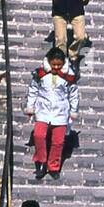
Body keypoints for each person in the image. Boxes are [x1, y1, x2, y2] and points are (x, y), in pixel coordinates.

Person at [25, 47, 80, 181]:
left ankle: (54, 166)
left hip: (60, 112)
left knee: (58, 141)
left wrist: (73, 110)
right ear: (48, 62)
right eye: (53, 64)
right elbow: (33, 89)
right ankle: (41, 161)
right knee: (38, 135)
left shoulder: (68, 76)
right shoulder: (41, 74)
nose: (56, 67)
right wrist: (30, 106)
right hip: (43, 110)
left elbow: (73, 94)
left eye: (59, 65)